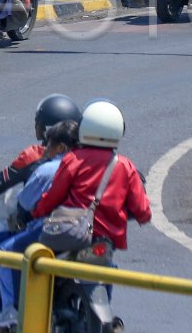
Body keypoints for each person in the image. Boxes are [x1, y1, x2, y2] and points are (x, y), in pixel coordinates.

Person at [0, 119, 79, 329]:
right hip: (88, 230)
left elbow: (22, 200)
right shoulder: (98, 165)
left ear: (60, 146)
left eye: (50, 144)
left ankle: (11, 310)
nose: (46, 149)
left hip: (49, 229)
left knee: (1, 253)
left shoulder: (44, 165)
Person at [32, 99, 152, 284]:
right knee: (107, 270)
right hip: (105, 240)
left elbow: (53, 198)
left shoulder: (73, 159)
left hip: (71, 232)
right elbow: (143, 213)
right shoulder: (125, 166)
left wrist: (37, 212)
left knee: (35, 264)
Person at [0, 93, 83, 201]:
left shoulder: (34, 155)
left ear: (43, 127)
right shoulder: (84, 159)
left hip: (39, 220)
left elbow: (0, 182)